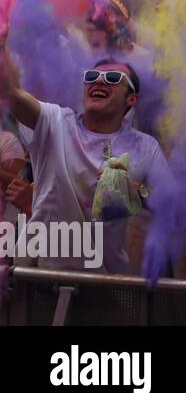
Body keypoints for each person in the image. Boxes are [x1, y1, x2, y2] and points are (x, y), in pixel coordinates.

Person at [0, 36, 172, 273]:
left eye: (113, 79)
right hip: (44, 277)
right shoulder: (55, 122)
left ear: (131, 99)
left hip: (105, 283)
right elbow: (13, 93)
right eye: (92, 77)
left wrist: (138, 194)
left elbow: (171, 206)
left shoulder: (145, 147)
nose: (99, 83)